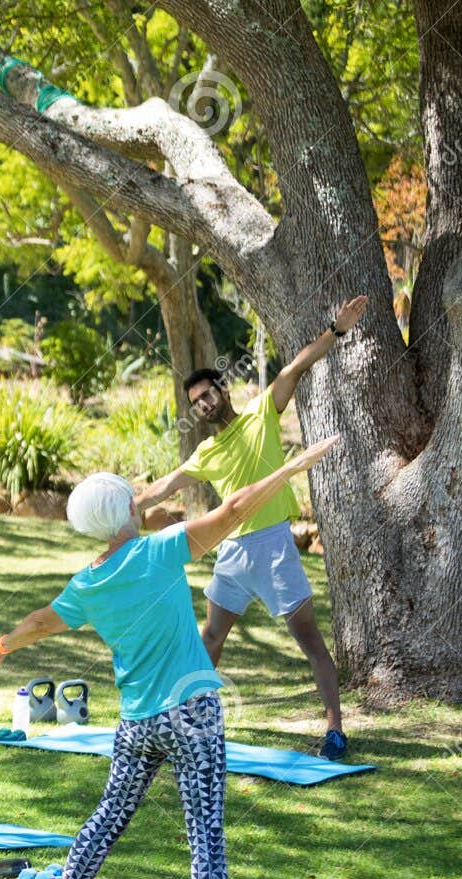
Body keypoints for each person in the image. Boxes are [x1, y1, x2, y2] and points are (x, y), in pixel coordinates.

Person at [0, 436, 338, 879]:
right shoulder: (160, 550)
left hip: (138, 722)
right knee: (205, 827)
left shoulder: (88, 583)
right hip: (192, 714)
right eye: (133, 502)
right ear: (122, 514)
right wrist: (290, 468)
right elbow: (233, 510)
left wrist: (0, 648)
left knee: (109, 816)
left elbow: (41, 622)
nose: (140, 505)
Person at [137, 297, 367, 760]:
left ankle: (335, 730)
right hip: (233, 554)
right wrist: (131, 500)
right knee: (210, 639)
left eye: (207, 394)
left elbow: (295, 368)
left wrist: (336, 330)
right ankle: (191, 721)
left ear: (223, 390)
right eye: (195, 402)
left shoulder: (262, 413)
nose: (203, 404)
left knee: (309, 641)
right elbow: (166, 483)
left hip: (274, 547)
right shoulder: (207, 454)